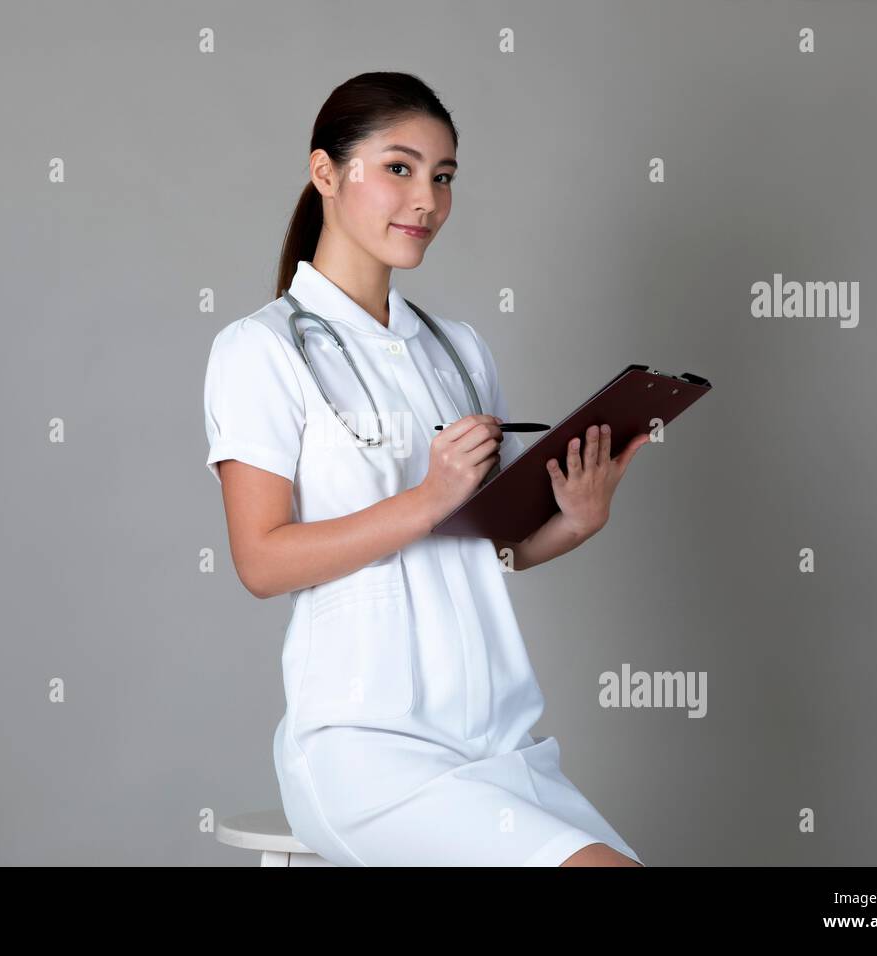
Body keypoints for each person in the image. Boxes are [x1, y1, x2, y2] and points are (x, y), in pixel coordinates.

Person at [202, 72, 651, 866]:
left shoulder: (457, 349)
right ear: (326, 173)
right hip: (368, 754)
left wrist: (574, 520)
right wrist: (427, 497)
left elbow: (493, 543)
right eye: (400, 169)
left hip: (501, 745)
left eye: (443, 177)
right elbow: (261, 561)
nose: (427, 201)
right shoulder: (262, 350)